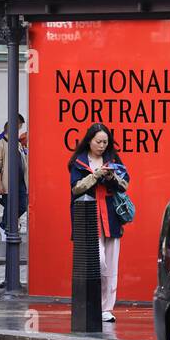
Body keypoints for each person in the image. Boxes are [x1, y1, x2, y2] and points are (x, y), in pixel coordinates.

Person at [68, 124, 130, 322]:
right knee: (99, 261)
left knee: (112, 264)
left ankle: (106, 308)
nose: (102, 146)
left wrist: (111, 176)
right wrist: (96, 175)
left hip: (111, 217)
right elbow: (76, 188)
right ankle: (93, 303)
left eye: (105, 142)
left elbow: (125, 184)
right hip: (89, 217)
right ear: (89, 141)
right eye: (98, 142)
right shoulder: (78, 162)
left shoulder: (112, 159)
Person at [0, 115, 29, 237]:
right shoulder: (0, 144)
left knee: (23, 205)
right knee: (10, 205)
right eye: (19, 127)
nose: (19, 129)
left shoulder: (17, 144)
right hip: (8, 181)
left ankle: (5, 225)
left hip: (21, 181)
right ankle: (5, 227)